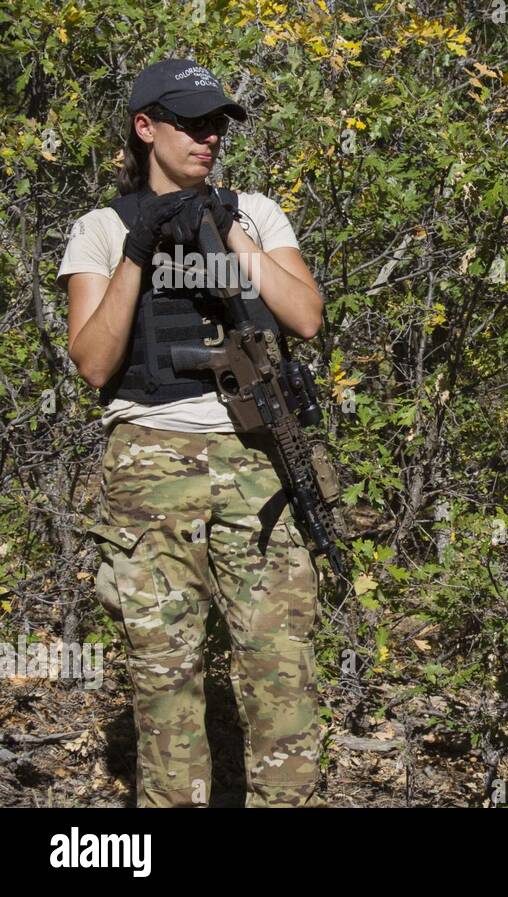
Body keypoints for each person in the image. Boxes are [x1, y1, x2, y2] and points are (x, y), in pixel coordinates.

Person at [59, 59, 327, 808]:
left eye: (218, 124)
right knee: (164, 681)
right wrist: (139, 252)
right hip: (149, 462)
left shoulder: (256, 213)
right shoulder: (103, 228)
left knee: (281, 671)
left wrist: (231, 236)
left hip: (256, 458)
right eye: (192, 123)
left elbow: (305, 316)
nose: (209, 137)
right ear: (146, 128)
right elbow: (93, 361)